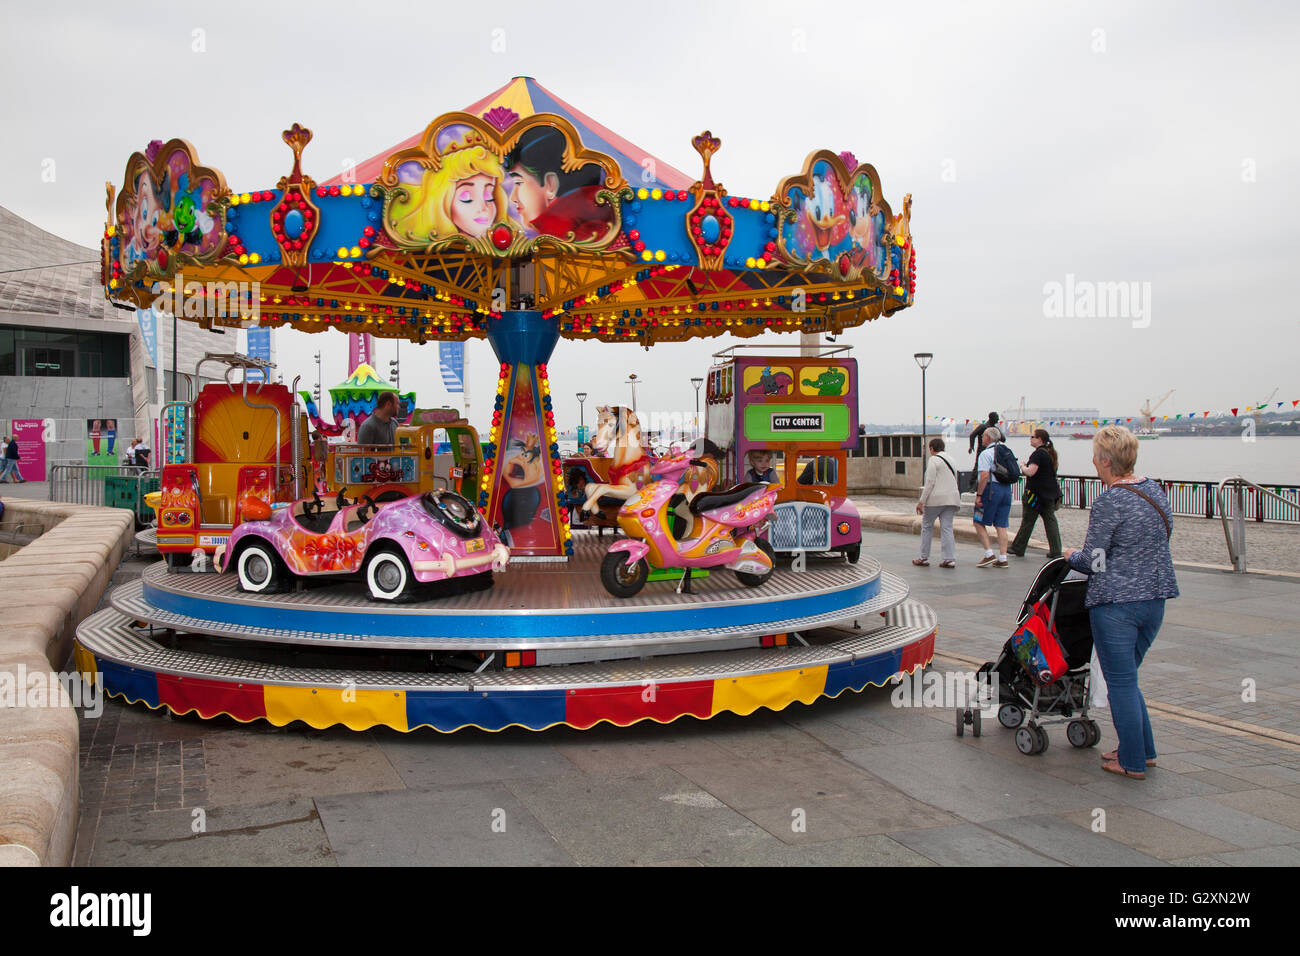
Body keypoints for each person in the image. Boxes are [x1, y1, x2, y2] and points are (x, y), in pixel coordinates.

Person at [1063, 426, 1179, 779]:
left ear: (1107, 461)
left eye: (1096, 456)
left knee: (1120, 683)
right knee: (1129, 678)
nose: (1093, 462)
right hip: (1155, 601)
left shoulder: (1109, 501)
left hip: (1116, 605)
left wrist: (1070, 555)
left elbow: (1093, 561)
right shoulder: (1154, 490)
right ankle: (1143, 751)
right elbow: (1166, 534)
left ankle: (1130, 762)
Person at [1010, 428, 1064, 558]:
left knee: (1028, 520)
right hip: (1050, 494)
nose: (1031, 439)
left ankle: (1018, 547)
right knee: (1050, 521)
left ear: (1040, 439)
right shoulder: (1050, 453)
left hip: (1035, 495)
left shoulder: (1038, 454)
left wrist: (1022, 466)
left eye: (1032, 437)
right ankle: (1056, 550)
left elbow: (1031, 472)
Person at [913, 437, 960, 568]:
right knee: (947, 528)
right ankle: (949, 559)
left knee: (927, 526)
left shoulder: (933, 460)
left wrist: (921, 501)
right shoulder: (952, 459)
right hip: (952, 499)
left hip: (936, 500)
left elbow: (930, 482)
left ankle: (924, 557)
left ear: (932, 449)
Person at [972, 426, 1012, 568]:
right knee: (1001, 525)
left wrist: (979, 495)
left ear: (988, 438)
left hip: (991, 490)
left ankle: (989, 554)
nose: (982, 438)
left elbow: (984, 475)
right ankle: (1003, 557)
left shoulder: (986, 454)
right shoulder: (1006, 450)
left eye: (983, 436)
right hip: (1006, 490)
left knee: (978, 521)